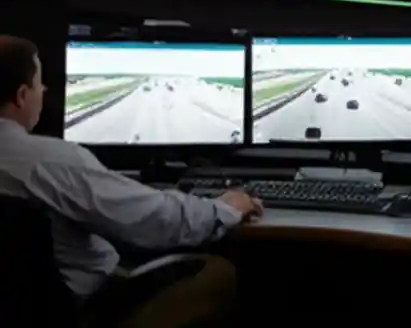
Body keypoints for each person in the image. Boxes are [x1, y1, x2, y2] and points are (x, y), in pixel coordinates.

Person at [0, 35, 263, 323]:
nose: (45, 90)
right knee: (217, 271)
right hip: (81, 307)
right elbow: (157, 222)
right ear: (22, 95)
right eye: (40, 83)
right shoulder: (48, 161)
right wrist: (225, 207)